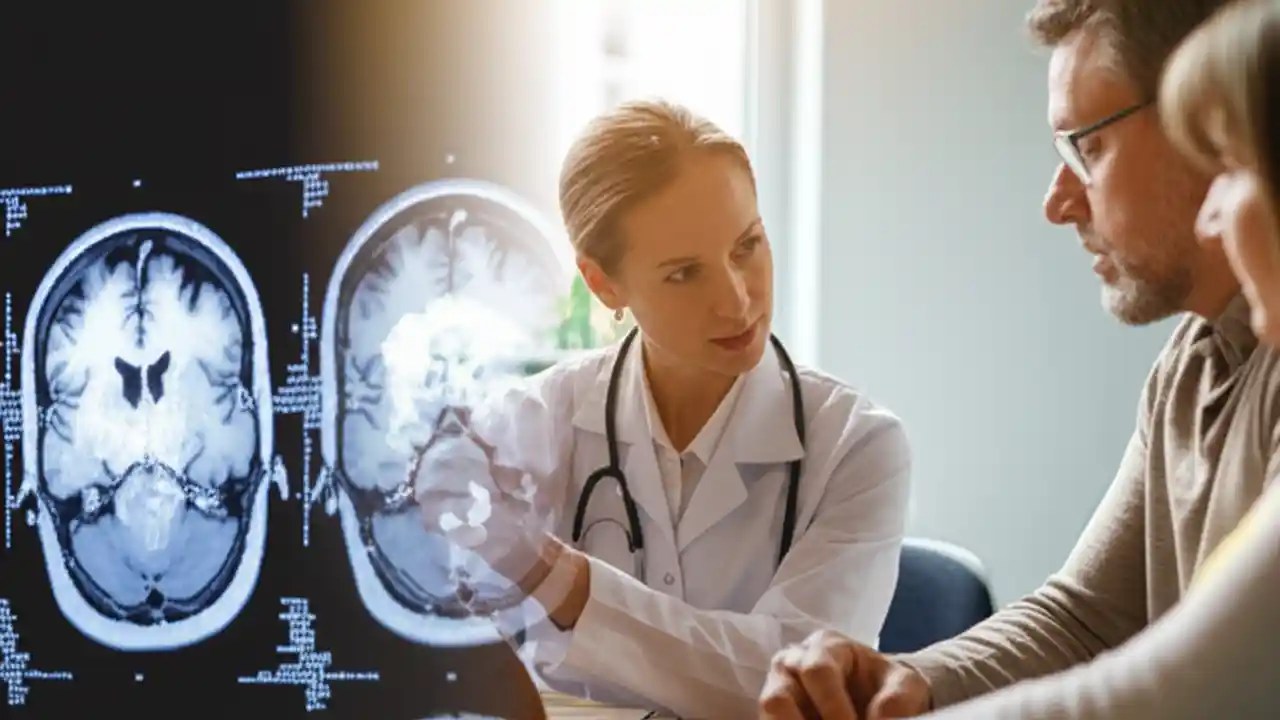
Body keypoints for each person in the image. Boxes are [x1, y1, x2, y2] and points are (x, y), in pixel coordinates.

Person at [758, 0, 1280, 718]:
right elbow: (1087, 618)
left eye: (1085, 149)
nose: (1057, 202)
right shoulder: (1189, 364)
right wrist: (907, 680)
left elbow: (1196, 691)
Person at [414, 98, 913, 718]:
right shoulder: (533, 422)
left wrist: (552, 575)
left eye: (747, 246)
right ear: (603, 284)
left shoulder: (857, 447)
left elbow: (795, 688)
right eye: (684, 274)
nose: (737, 300)